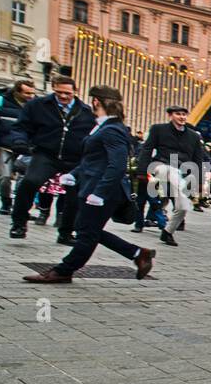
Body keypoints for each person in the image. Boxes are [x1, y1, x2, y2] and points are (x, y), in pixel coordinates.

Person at [21, 86, 154, 284]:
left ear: (96, 102)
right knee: (86, 229)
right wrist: (73, 175)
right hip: (93, 186)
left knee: (86, 233)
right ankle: (138, 253)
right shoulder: (102, 126)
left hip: (103, 191)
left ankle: (63, 270)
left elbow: (116, 165)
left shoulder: (112, 130)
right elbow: (93, 159)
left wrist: (100, 193)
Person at [6, 75, 95, 242]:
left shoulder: (86, 111)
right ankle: (18, 224)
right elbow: (21, 127)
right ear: (53, 88)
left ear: (75, 92)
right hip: (46, 154)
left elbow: (93, 135)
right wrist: (19, 141)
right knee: (29, 182)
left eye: (67, 93)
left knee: (75, 194)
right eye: (59, 92)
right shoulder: (37, 105)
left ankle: (66, 232)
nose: (63, 96)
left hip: (74, 158)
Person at [138, 105, 210, 246]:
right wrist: (142, 171)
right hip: (161, 166)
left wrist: (200, 181)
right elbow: (147, 149)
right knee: (170, 171)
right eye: (178, 114)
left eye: (184, 114)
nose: (182, 117)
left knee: (183, 207)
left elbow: (198, 159)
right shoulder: (158, 129)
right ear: (170, 115)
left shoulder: (193, 136)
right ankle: (159, 202)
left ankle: (168, 232)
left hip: (182, 172)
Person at [0, 79, 36, 214]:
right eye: (27, 93)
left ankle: (20, 207)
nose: (30, 96)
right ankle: (6, 203)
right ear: (17, 92)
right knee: (5, 177)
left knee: (25, 180)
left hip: (26, 148)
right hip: (5, 146)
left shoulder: (36, 105)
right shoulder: (1, 102)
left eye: (32, 93)